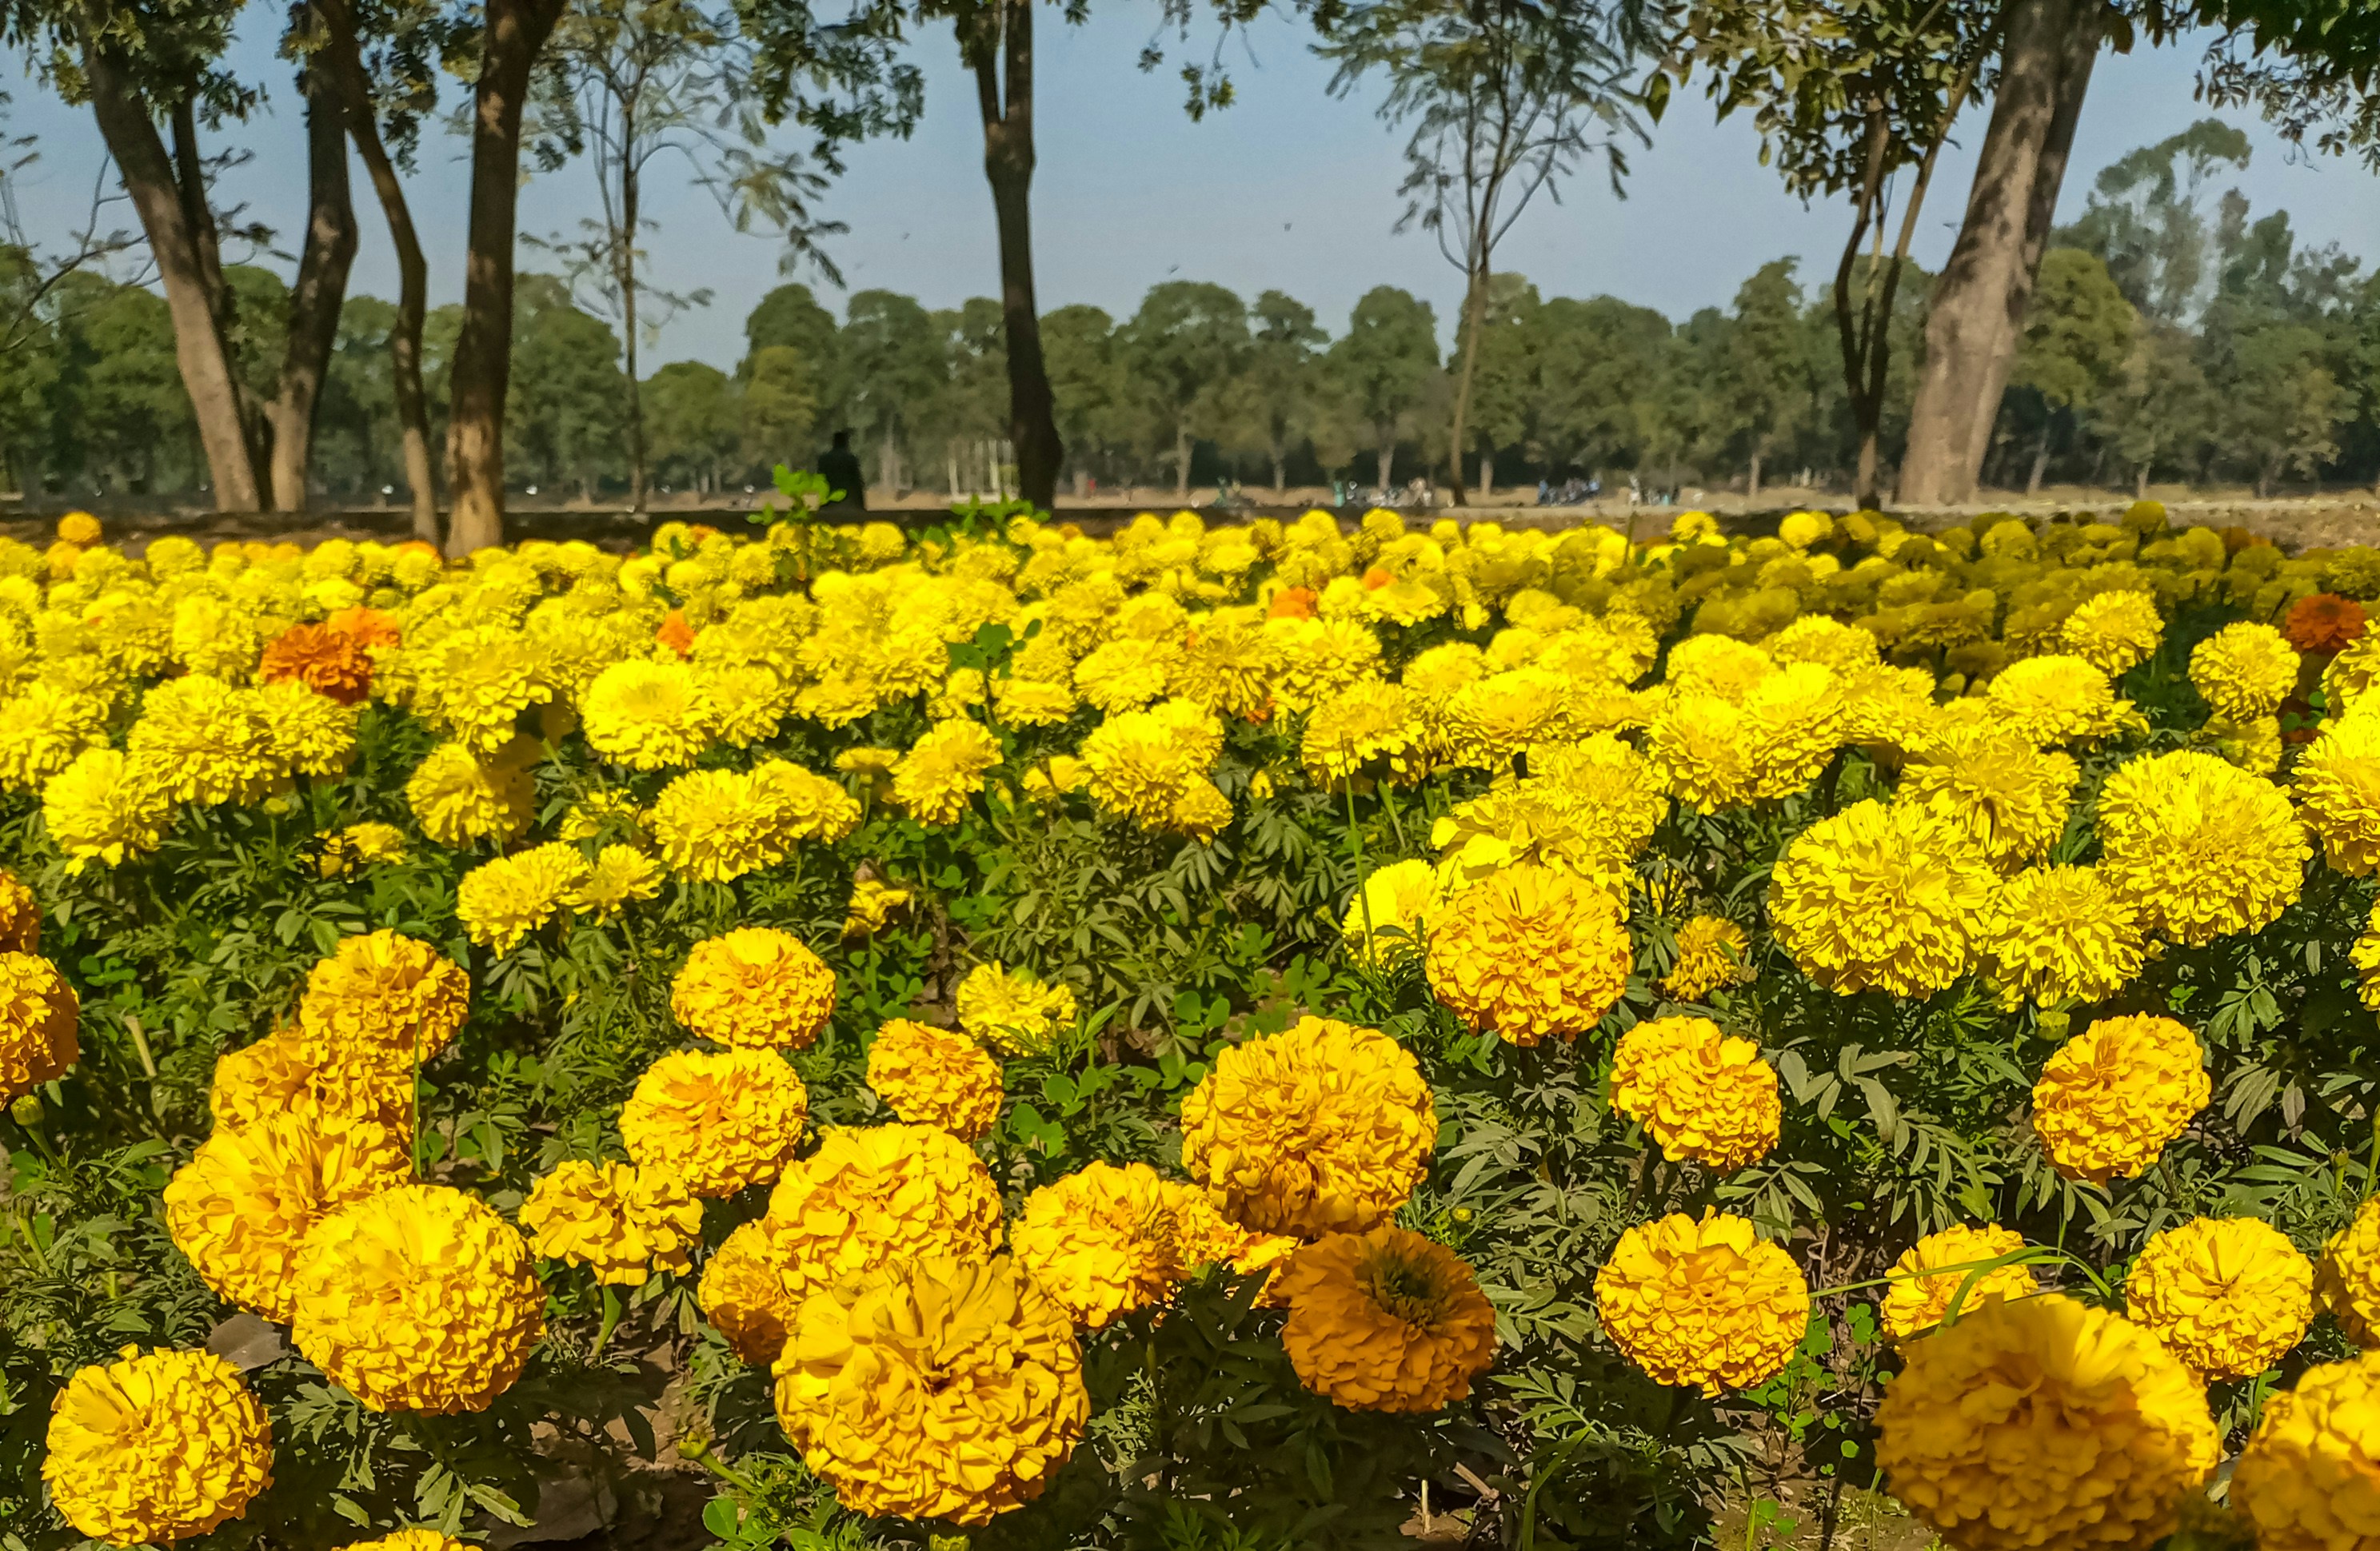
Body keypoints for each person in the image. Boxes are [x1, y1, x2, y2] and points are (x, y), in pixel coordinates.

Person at [818, 430, 866, 514]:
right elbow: (857, 483)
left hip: (829, 504)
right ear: (846, 443)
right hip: (849, 504)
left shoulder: (824, 460)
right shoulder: (851, 459)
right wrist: (861, 506)